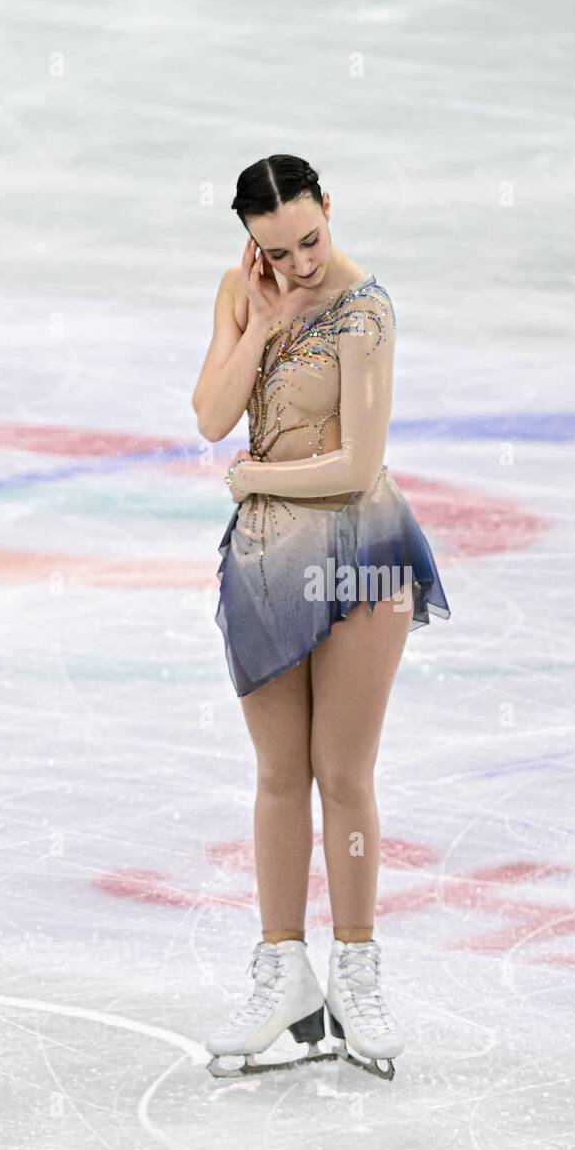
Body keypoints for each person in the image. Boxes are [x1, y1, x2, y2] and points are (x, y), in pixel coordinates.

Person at [191, 154, 450, 1079]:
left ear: (328, 210)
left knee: (343, 774)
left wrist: (257, 478)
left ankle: (356, 968)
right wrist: (259, 325)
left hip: (361, 554)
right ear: (250, 244)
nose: (300, 263)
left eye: (311, 238)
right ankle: (283, 974)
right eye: (277, 249)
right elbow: (210, 415)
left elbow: (353, 463)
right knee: (277, 774)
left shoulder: (366, 314)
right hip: (268, 563)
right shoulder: (245, 290)